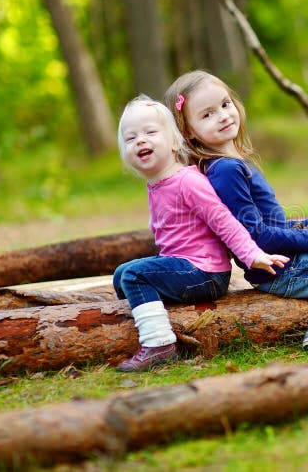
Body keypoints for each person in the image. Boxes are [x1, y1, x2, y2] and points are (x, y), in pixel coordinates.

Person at [163, 71, 308, 348]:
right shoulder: (226, 170)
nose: (223, 115)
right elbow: (255, 237)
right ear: (188, 130)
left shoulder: (233, 161)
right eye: (207, 115)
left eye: (225, 104)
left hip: (287, 253)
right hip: (282, 269)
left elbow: (269, 220)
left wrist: (305, 226)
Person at [113, 95, 289, 372]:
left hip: (205, 273)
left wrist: (252, 254)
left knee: (134, 275)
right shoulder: (158, 184)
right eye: (130, 138)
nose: (140, 140)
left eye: (150, 132)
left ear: (173, 143)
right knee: (122, 274)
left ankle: (159, 344)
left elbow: (224, 221)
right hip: (186, 267)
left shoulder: (187, 180)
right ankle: (148, 315)